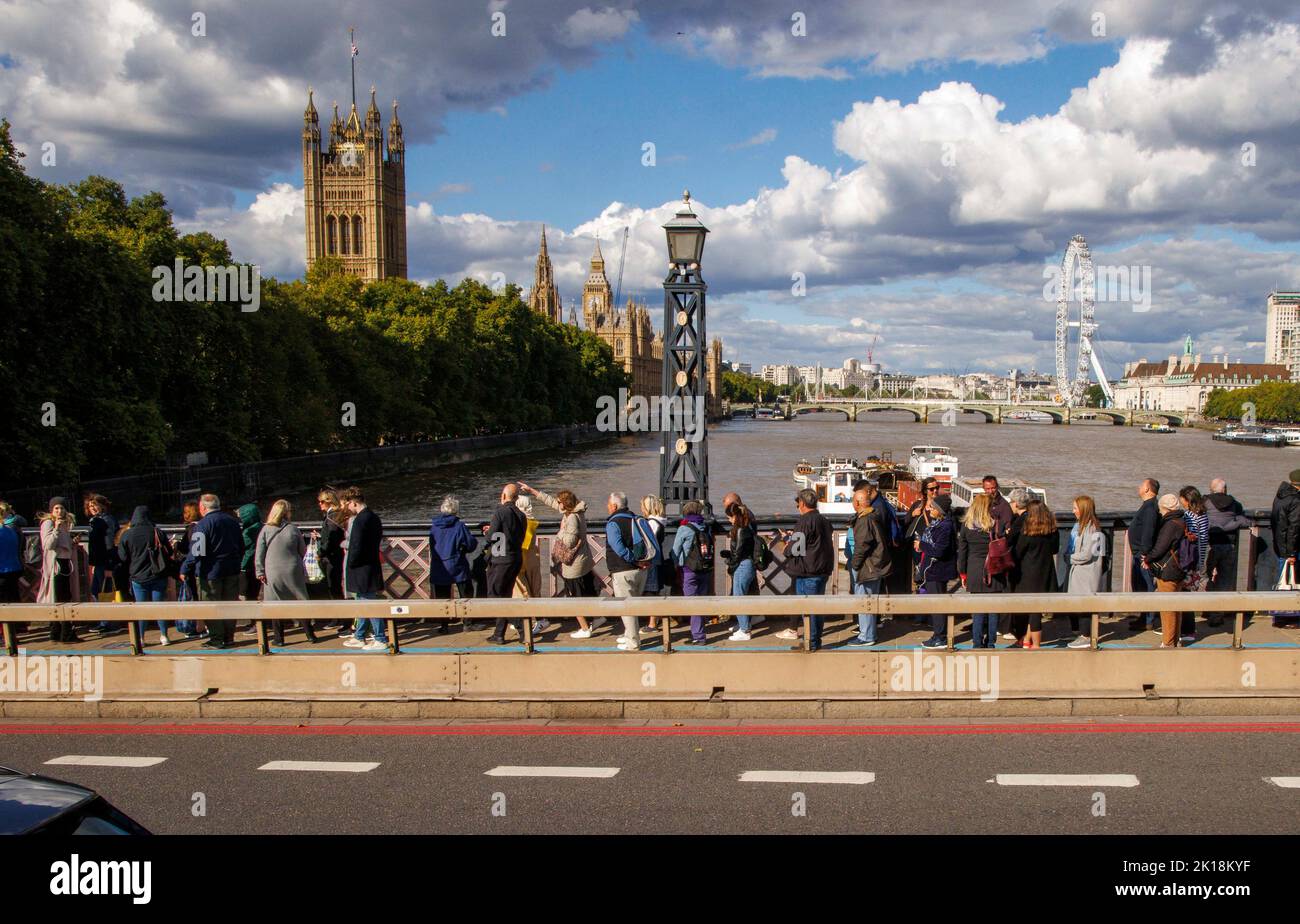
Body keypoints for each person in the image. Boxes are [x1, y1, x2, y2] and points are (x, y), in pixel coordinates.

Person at [519, 483, 603, 639]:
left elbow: (570, 541)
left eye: (559, 502)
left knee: (575, 597)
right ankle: (597, 617)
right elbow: (551, 501)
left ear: (565, 504)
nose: (557, 504)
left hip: (574, 564)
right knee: (587, 592)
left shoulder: (571, 518)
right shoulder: (578, 512)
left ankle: (585, 628)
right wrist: (532, 491)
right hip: (583, 560)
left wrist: (560, 531)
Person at [180, 494, 243, 649]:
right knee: (229, 605)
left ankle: (216, 638)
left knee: (210, 605)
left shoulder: (202, 525)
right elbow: (241, 546)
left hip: (209, 573)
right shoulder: (232, 522)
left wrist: (185, 568)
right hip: (232, 569)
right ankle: (229, 637)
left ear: (202, 508)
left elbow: (197, 551)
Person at [778, 488, 834, 651]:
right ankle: (816, 641)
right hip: (822, 569)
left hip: (808, 571)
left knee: (809, 610)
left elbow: (796, 549)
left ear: (802, 503)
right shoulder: (824, 520)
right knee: (818, 608)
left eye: (797, 504)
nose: (798, 507)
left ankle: (811, 643)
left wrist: (786, 546)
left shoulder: (804, 521)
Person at [255, 499, 315, 645]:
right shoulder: (293, 529)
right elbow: (303, 551)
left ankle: (279, 638)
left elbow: (259, 553)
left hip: (272, 571)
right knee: (300, 600)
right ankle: (310, 635)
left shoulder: (265, 530)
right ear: (286, 512)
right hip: (293, 569)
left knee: (275, 604)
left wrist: (260, 571)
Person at [117, 505, 173, 645]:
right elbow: (169, 552)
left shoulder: (127, 534)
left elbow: (123, 558)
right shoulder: (156, 532)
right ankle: (164, 636)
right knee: (159, 606)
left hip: (137, 577)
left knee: (141, 609)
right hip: (158, 574)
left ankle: (141, 638)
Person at [603, 492, 652, 650]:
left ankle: (632, 642)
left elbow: (618, 548)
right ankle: (628, 635)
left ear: (614, 506)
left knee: (626, 607)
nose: (607, 506)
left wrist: (632, 559)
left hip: (622, 570)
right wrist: (643, 561)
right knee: (635, 605)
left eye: (609, 504)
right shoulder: (638, 519)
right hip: (642, 569)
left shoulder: (613, 523)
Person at [340, 486, 387, 651]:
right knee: (364, 601)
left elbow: (355, 545)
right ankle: (360, 636)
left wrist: (351, 563)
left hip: (361, 568)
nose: (347, 508)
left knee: (368, 602)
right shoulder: (374, 517)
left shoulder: (360, 520)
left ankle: (380, 638)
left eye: (348, 504)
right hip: (371, 564)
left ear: (353, 502)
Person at [957, 493, 1005, 648]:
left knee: (977, 610)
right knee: (993, 610)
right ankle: (991, 642)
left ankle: (977, 642)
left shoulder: (967, 527)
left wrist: (963, 573)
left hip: (974, 570)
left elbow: (962, 553)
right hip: (994, 570)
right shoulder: (995, 525)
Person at [1010, 500, 1059, 649]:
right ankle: (1027, 640)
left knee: (1031, 610)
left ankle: (1035, 643)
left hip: (1027, 573)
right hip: (1046, 572)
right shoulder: (1052, 530)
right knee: (1036, 610)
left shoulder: (1027, 532)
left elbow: (1017, 553)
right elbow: (1055, 549)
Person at [1204, 478, 1253, 627]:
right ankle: (1217, 614)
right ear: (1225, 489)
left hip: (1208, 545)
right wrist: (1234, 523)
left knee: (1201, 577)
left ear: (1211, 489)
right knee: (1225, 580)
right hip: (1228, 545)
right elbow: (1245, 520)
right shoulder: (1235, 503)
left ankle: (1206, 605)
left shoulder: (1204, 502)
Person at [848, 486, 892, 647]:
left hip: (868, 567)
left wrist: (855, 564)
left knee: (864, 601)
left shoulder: (863, 520)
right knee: (871, 601)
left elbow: (862, 545)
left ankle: (866, 636)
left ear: (858, 503)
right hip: (876, 565)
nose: (852, 503)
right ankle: (870, 633)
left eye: (853, 500)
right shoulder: (874, 515)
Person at [483, 483, 527, 645]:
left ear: (503, 496)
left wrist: (488, 531)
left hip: (501, 559)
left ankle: (522, 627)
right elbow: (515, 536)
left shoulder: (500, 512)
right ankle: (499, 634)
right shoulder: (521, 515)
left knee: (494, 595)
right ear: (516, 498)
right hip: (516, 558)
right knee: (505, 595)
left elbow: (491, 538)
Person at [1145, 493, 1190, 648]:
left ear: (1164, 508)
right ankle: (1176, 639)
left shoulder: (1170, 524)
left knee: (1167, 607)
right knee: (1176, 606)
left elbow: (1160, 548)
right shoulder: (1183, 520)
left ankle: (1168, 641)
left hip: (1168, 570)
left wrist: (1148, 559)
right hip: (1180, 568)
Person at [429, 495, 478, 633]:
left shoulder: (434, 526)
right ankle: (467, 623)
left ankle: (444, 625)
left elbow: (432, 545)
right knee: (465, 594)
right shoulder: (459, 526)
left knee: (442, 598)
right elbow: (471, 544)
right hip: (456, 564)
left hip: (439, 566)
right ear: (456, 511)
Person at [37, 498, 81, 643]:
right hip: (56, 566)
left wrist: (72, 542)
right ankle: (65, 633)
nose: (59, 511)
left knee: (63, 597)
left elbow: (64, 545)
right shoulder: (49, 523)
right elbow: (48, 545)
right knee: (60, 599)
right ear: (51, 510)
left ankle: (57, 633)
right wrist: (56, 528)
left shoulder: (66, 524)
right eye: (56, 508)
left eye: (61, 508)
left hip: (64, 563)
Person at [670, 499, 714, 645]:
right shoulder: (706, 527)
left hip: (689, 570)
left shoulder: (684, 529)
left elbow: (675, 551)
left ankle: (698, 636)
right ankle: (701, 629)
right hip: (705, 569)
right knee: (701, 601)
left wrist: (674, 566)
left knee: (692, 603)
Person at [917, 494, 957, 648]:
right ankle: (937, 634)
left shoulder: (944, 526)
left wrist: (922, 545)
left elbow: (939, 551)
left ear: (940, 510)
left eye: (933, 507)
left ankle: (940, 637)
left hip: (938, 571)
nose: (930, 509)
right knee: (936, 603)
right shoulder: (939, 523)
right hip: (933, 570)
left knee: (937, 604)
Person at [1066, 495, 1106, 649]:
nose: (1073, 511)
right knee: (1084, 606)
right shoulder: (1094, 527)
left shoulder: (1091, 529)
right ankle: (1085, 634)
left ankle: (1085, 636)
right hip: (1087, 573)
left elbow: (1086, 555)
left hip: (1086, 575)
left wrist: (1070, 558)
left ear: (1083, 509)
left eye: (1075, 508)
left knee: (1084, 606)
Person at [720, 501, 757, 641]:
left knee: (739, 597)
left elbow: (738, 552)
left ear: (735, 516)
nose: (729, 520)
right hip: (747, 564)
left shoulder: (741, 530)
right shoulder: (747, 527)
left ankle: (745, 630)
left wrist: (729, 561)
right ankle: (743, 624)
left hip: (743, 566)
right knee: (742, 596)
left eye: (730, 517)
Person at [1127, 478, 1160, 631]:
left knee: (1147, 587)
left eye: (1142, 485)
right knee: (1139, 586)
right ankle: (1143, 617)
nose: (1138, 486)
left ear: (1148, 489)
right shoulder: (1148, 506)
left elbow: (1148, 532)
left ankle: (1149, 620)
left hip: (1142, 556)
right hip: (1139, 554)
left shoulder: (1150, 508)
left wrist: (1145, 555)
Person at [1268, 469, 1300, 629]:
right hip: (1291, 549)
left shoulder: (1280, 496)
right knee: (1293, 583)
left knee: (1283, 582)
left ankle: (1280, 616)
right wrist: (1292, 553)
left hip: (1280, 546)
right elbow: (1295, 527)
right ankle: (1290, 617)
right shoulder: (1296, 500)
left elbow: (1277, 523)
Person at [1177, 486, 1209, 644]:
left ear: (1187, 500)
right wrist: (1201, 561)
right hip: (1198, 559)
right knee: (1188, 593)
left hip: (1189, 560)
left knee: (1183, 593)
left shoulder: (1189, 516)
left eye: (1181, 498)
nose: (1180, 501)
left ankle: (1186, 629)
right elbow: (1203, 540)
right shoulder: (1203, 515)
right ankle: (1188, 628)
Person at [513, 494, 548, 634]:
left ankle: (534, 621)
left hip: (524, 561)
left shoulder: (525, 522)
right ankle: (535, 619)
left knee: (524, 591)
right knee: (533, 590)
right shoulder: (531, 521)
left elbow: (522, 545)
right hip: (532, 558)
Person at [315, 489, 348, 631]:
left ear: (329, 501)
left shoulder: (332, 517)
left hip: (331, 558)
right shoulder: (336, 516)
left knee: (334, 588)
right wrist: (320, 537)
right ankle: (339, 618)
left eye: (322, 502)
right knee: (334, 587)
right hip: (336, 555)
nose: (320, 504)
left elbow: (331, 539)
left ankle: (341, 619)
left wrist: (320, 552)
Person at [171, 502, 203, 638]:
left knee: (195, 597)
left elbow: (192, 550)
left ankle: (199, 626)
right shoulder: (202, 526)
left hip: (193, 568)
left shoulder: (192, 529)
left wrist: (176, 544)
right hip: (202, 567)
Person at [0, 502, 22, 606]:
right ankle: (19, 622)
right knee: (14, 600)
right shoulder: (11, 530)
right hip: (14, 568)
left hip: (2, 571)